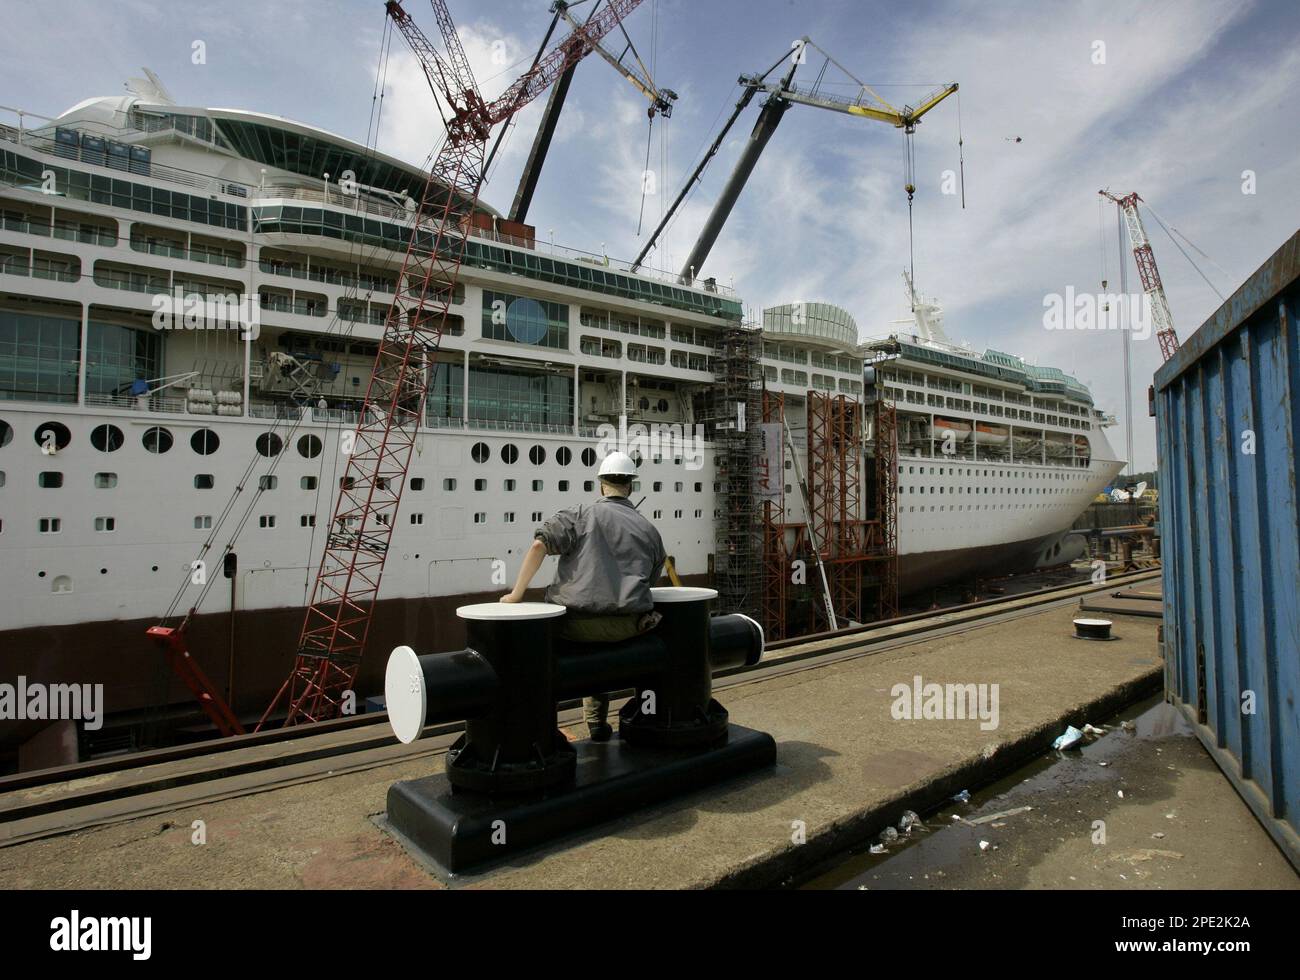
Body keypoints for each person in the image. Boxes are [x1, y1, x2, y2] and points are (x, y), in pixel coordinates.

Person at [501, 450, 666, 740]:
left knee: (536, 656)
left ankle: (546, 728)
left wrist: (516, 594)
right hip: (627, 627)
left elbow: (539, 545)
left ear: (601, 484)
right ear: (631, 486)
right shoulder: (649, 529)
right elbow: (651, 578)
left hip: (574, 626)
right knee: (602, 650)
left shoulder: (580, 515)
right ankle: (605, 724)